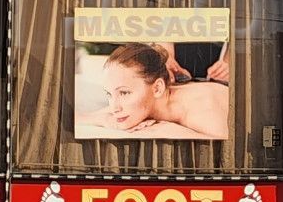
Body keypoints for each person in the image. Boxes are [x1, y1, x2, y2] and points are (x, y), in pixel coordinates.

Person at [86, 41, 229, 139]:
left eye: (124, 93)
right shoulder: (136, 103)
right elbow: (77, 117)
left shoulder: (203, 110)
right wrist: (105, 120)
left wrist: (179, 134)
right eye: (109, 94)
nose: (114, 108)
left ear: (157, 88)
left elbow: (234, 157)